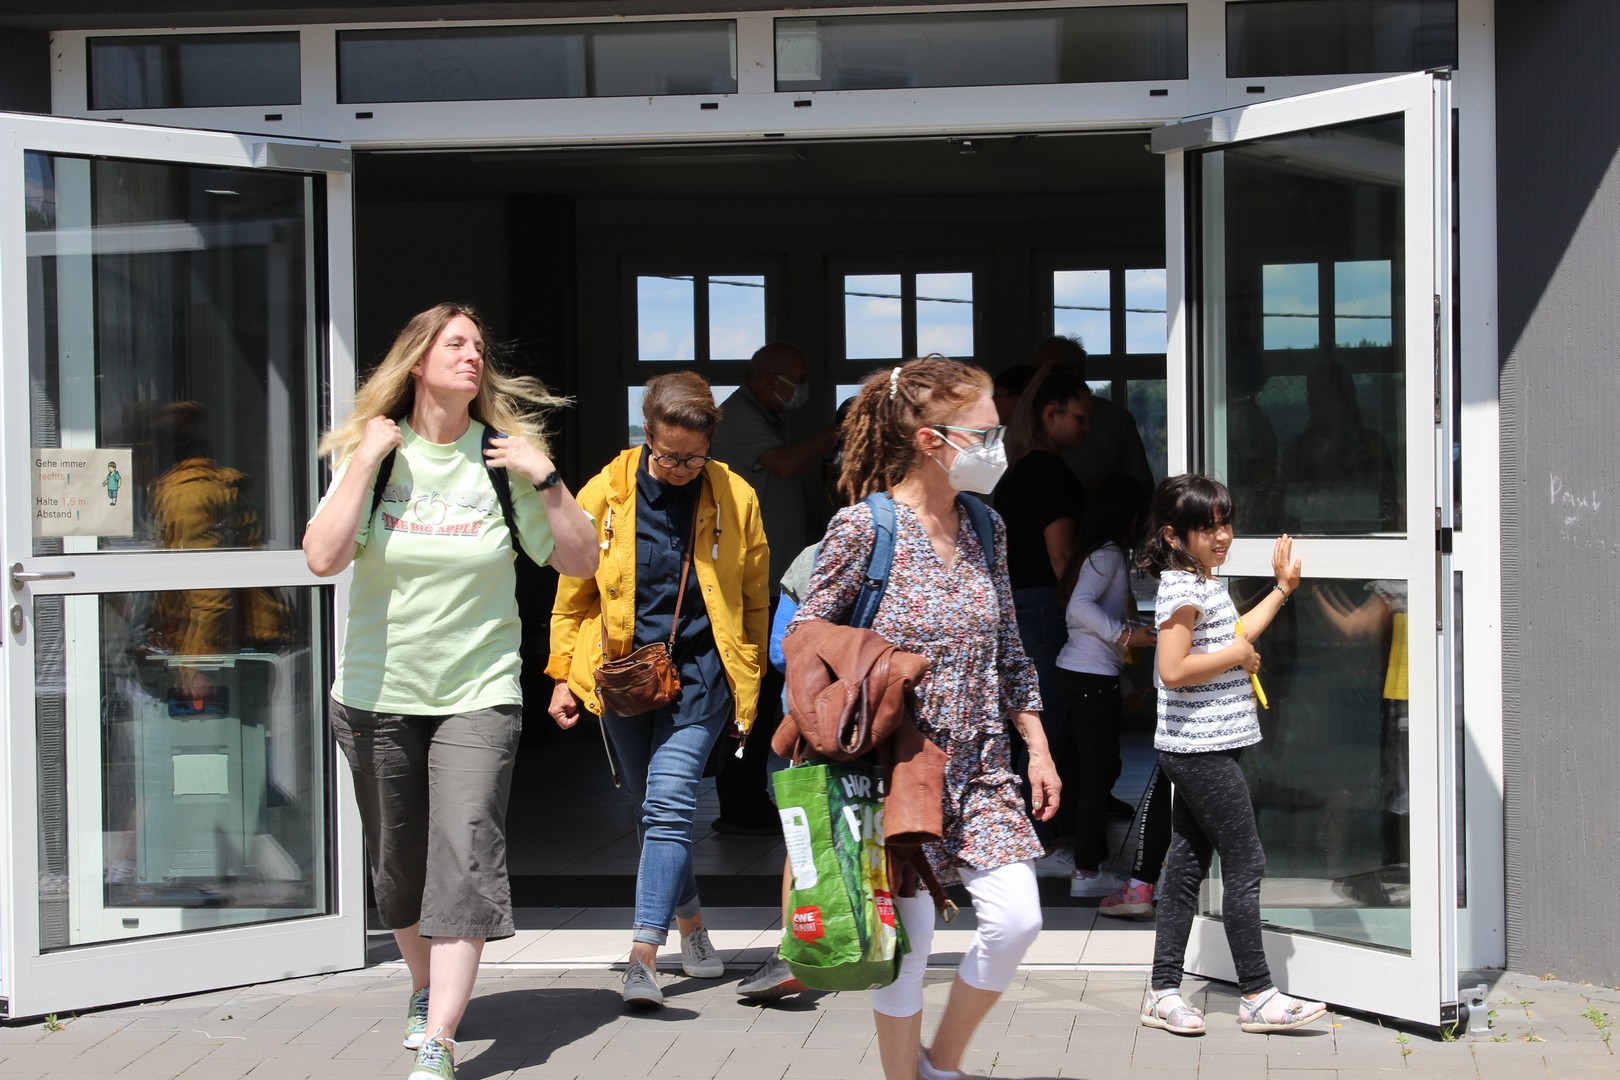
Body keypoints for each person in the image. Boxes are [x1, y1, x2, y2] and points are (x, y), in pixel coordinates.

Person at [303, 303, 598, 1080]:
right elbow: (322, 557)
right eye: (455, 345)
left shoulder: (502, 461)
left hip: (478, 692)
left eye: (478, 347)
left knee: (464, 855)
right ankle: (425, 986)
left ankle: (439, 1036)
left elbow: (580, 561)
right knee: (399, 866)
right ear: (418, 361)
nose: (473, 357)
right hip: (376, 693)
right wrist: (365, 461)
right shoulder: (379, 456)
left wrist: (551, 478)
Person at [788, 356, 1059, 1080]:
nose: (1002, 445)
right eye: (988, 431)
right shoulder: (863, 528)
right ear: (935, 439)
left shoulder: (985, 526)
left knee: (1016, 921)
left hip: (983, 765)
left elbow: (1008, 645)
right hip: (896, 770)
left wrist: (1036, 743)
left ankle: (943, 1061)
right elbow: (808, 637)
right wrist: (883, 666)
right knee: (909, 946)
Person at [547, 371, 770, 1009]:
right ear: (647, 435)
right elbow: (574, 591)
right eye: (669, 455)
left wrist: (747, 676)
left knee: (669, 807)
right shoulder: (605, 493)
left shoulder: (736, 497)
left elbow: (754, 598)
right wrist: (564, 673)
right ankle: (693, 925)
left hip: (702, 676)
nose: (679, 468)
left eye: (693, 458)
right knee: (650, 810)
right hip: (623, 677)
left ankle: (643, 955)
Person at [1135, 473, 1326, 1036]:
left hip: (1205, 746)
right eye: (1208, 527)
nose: (1222, 535)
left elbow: (1234, 635)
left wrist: (1282, 589)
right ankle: (1258, 995)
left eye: (1226, 523)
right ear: (1175, 535)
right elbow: (1172, 670)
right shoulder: (1183, 589)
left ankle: (1162, 992)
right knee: (1246, 863)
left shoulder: (1202, 583)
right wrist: (1237, 655)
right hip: (1199, 751)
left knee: (1188, 865)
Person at [708, 342, 839, 834]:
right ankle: (740, 800)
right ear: (768, 378)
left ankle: (748, 795)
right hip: (750, 590)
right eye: (796, 379)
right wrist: (834, 434)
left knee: (763, 693)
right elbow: (784, 465)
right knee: (753, 694)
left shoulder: (766, 417)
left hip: (770, 583)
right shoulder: (739, 419)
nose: (801, 390)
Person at [993, 361, 1091, 869]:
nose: (1087, 427)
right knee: (1043, 724)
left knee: (1028, 722)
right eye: (1079, 416)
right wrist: (1084, 612)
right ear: (1050, 414)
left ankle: (1028, 835)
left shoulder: (1016, 472)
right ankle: (1040, 838)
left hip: (1019, 605)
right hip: (1041, 606)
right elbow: (1061, 556)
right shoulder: (1048, 472)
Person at [1055, 473, 1157, 898]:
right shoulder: (1110, 552)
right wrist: (1127, 635)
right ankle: (1087, 871)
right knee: (1098, 775)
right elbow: (1079, 608)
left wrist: (1127, 650)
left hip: (1080, 675)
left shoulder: (1094, 553)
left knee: (1086, 773)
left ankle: (1083, 861)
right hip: (1089, 680)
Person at [1036, 335, 1154, 493]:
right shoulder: (1029, 419)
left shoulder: (1115, 420)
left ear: (1075, 372)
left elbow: (1142, 485)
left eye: (1049, 371)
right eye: (1036, 372)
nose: (1038, 379)